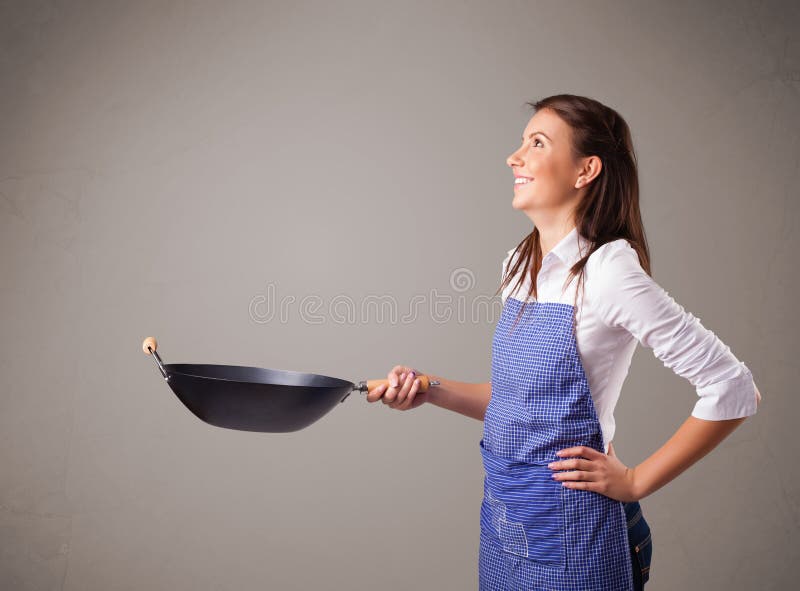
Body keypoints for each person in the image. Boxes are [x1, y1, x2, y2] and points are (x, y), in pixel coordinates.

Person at [366, 93, 762, 590]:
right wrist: (431, 389)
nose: (514, 157)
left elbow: (732, 386)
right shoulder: (519, 263)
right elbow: (521, 404)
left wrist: (636, 480)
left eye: (537, 143)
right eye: (522, 143)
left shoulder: (609, 270)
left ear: (585, 170)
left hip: (580, 535)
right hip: (509, 524)